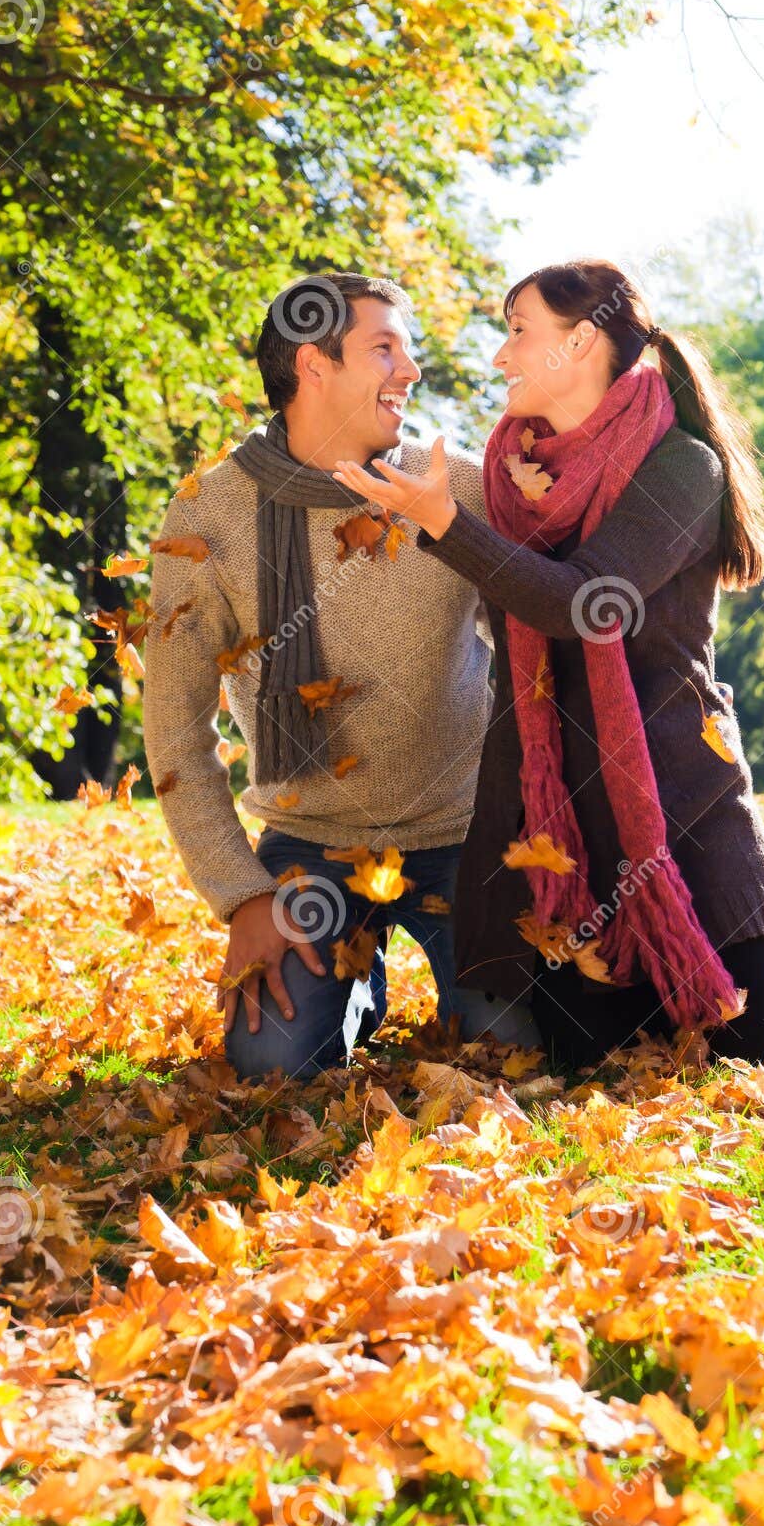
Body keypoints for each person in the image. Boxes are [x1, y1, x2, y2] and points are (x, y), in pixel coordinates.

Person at [333, 258, 764, 1071]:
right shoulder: (513, 480)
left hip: (679, 799)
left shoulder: (684, 466)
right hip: (560, 838)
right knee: (591, 1070)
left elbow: (582, 603)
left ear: (581, 341)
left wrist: (441, 521)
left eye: (517, 332)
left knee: (751, 1064)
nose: (500, 358)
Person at [142, 271, 537, 1082]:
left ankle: (430, 974)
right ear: (312, 367)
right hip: (311, 837)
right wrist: (242, 895)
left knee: (517, 1052)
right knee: (272, 1064)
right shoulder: (207, 514)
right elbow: (175, 722)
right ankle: (351, 986)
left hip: (465, 832)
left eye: (408, 349)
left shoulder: (454, 488)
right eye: (383, 348)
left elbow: (536, 663)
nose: (410, 370)